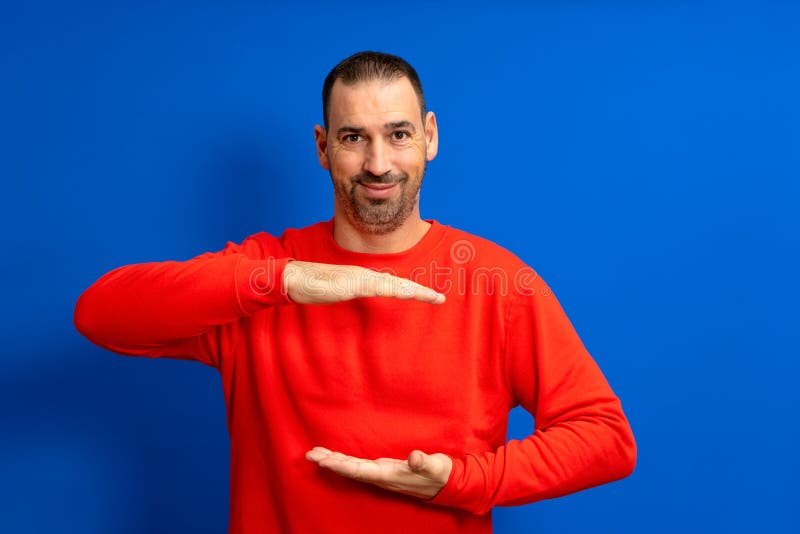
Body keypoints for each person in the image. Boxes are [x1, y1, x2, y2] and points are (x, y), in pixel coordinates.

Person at [74, 51, 636, 533]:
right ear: (322, 147)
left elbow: (606, 438)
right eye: (353, 138)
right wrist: (286, 280)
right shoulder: (260, 274)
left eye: (398, 134)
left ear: (430, 137)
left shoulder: (496, 282)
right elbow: (99, 313)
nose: (378, 163)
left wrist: (466, 481)